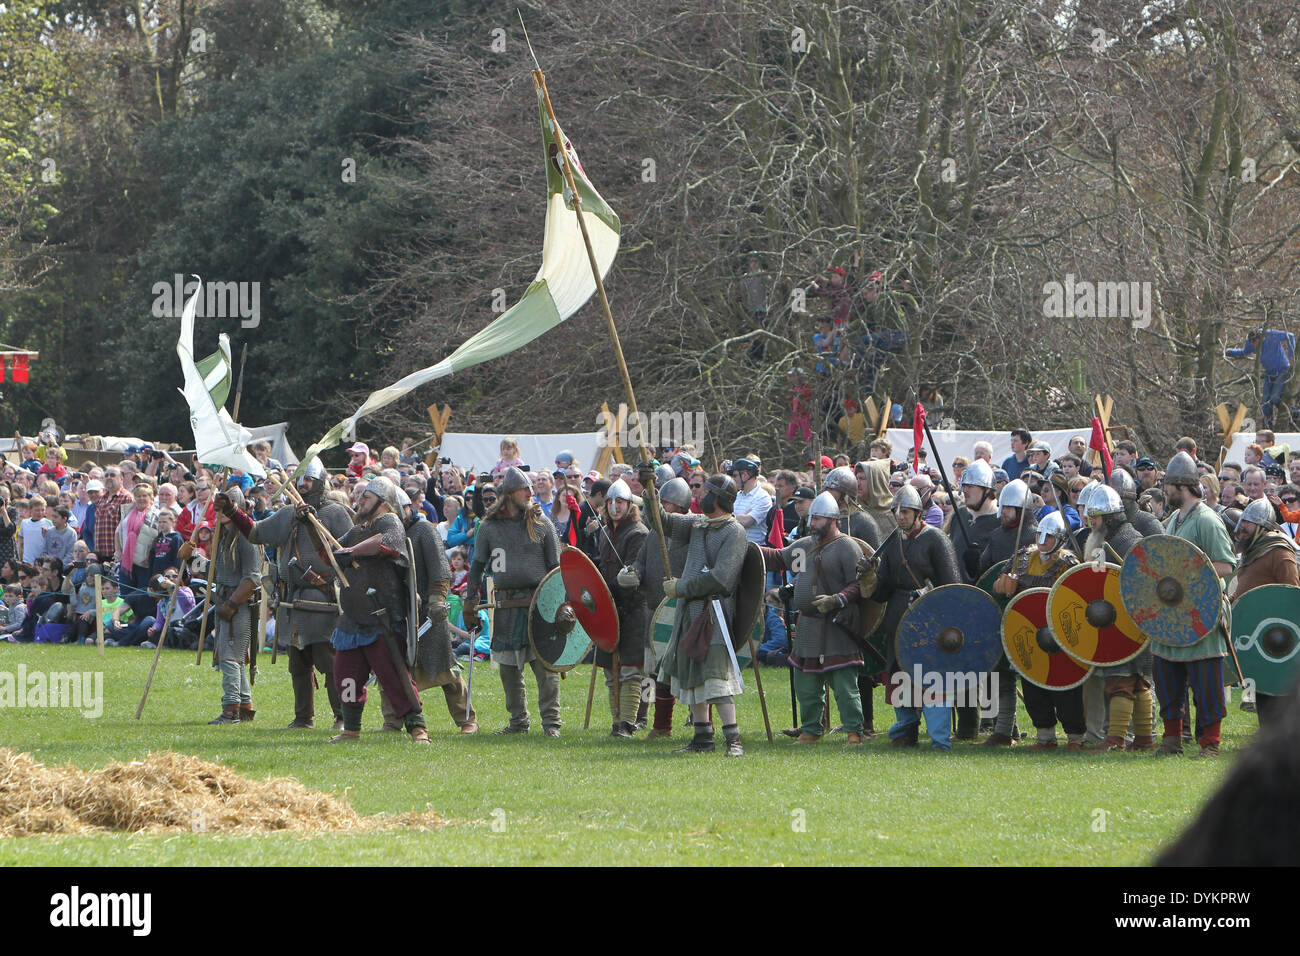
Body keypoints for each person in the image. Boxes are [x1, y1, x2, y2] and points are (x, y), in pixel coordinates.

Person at [219, 458, 353, 730]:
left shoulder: (335, 514)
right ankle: (303, 718)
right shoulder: (289, 514)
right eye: (300, 480)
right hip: (292, 600)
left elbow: (349, 551)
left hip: (323, 597)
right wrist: (233, 511)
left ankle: (342, 717)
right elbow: (256, 533)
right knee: (298, 666)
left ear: (319, 483)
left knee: (329, 663)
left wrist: (314, 526)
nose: (302, 485)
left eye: (308, 481)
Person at [320, 476, 427, 742]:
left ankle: (418, 728)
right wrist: (310, 525)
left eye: (366, 498)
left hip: (382, 618)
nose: (360, 501)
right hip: (352, 620)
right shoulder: (358, 530)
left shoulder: (390, 522)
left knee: (395, 676)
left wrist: (351, 552)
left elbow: (386, 544)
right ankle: (351, 730)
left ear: (383, 502)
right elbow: (329, 553)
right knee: (345, 677)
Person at [760, 491, 872, 746]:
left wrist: (837, 599)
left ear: (833, 520)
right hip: (809, 625)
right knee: (806, 685)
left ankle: (854, 732)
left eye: (818, 519)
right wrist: (748, 547)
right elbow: (779, 558)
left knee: (844, 686)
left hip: (836, 625)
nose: (812, 524)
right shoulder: (805, 545)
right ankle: (810, 730)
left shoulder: (846, 546)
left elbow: (860, 584)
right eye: (812, 518)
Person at [654, 473, 749, 757]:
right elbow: (663, 522)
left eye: (706, 491)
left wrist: (681, 587)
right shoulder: (698, 524)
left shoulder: (734, 532)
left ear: (718, 498)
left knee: (716, 677)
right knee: (693, 675)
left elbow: (721, 579)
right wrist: (650, 494)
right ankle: (702, 738)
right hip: (690, 613)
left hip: (715, 613)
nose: (700, 496)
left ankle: (733, 740)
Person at [465, 466, 563, 737]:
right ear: (508, 494)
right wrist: (470, 601)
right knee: (508, 669)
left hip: (539, 605)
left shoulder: (542, 524)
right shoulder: (488, 527)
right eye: (524, 490)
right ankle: (518, 721)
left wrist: (560, 603)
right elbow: (477, 567)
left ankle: (551, 723)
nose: (530, 494)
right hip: (506, 606)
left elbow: (556, 568)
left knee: (545, 668)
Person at [1154, 452, 1237, 757]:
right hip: (1171, 612)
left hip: (1202, 613)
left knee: (1206, 685)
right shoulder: (1174, 519)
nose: (1165, 491)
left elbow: (1226, 566)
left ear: (1181, 486)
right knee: (1166, 676)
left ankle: (1210, 744)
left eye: (1168, 486)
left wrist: (1188, 576)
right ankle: (1172, 739)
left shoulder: (1207, 520)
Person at [380, 488, 477, 734]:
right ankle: (392, 720)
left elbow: (440, 569)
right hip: (397, 611)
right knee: (393, 666)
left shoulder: (424, 530)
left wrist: (436, 600)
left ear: (406, 507)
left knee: (444, 666)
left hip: (426, 611)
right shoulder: (388, 533)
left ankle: (467, 719)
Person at [874, 485, 961, 750]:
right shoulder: (892, 542)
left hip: (930, 619)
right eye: (897, 511)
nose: (901, 516)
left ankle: (939, 740)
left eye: (906, 511)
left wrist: (929, 593)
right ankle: (906, 732)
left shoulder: (935, 539)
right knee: (900, 677)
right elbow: (882, 591)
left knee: (933, 680)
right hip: (898, 618)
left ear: (918, 512)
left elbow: (952, 585)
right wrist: (869, 578)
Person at [1000, 511, 1087, 749]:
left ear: (1059, 538)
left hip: (1060, 634)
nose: (1042, 539)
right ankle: (1045, 736)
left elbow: (1075, 597)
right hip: (1029, 632)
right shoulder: (1023, 557)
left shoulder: (1069, 563)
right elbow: (1000, 584)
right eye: (1039, 534)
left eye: (1048, 536)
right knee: (1033, 685)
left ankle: (1075, 737)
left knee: (1066, 688)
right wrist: (1007, 583)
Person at [1081, 484, 1155, 751]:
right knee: (1136, 682)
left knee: (1124, 680)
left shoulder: (1128, 541)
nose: (1092, 523)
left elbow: (1146, 583)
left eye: (1096, 518)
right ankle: (1144, 740)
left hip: (1128, 621)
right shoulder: (1105, 541)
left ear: (1110, 517)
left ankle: (1116, 739)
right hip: (1113, 619)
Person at [1228, 498, 1299, 727]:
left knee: (1278, 695)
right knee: (1263, 693)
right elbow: (1247, 589)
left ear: (1262, 526)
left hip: (1279, 639)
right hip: (1255, 635)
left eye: (1248, 522)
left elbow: (1291, 595)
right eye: (1243, 522)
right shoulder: (1253, 551)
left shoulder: (1279, 551)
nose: (1243, 527)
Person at [979, 479, 1037, 745]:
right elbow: (986, 571)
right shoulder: (996, 536)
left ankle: (1042, 732)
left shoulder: (1035, 537)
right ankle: (1005, 730)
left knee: (1028, 674)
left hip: (1027, 612)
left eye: (1010, 509)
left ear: (1022, 510)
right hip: (997, 609)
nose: (1003, 513)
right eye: (1002, 508)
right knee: (1000, 672)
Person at [597, 479, 650, 737]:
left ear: (630, 505)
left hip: (632, 609)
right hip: (609, 609)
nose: (615, 506)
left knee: (630, 669)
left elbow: (631, 576)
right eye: (610, 502)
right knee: (611, 669)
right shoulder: (605, 532)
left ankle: (628, 724)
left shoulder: (638, 533)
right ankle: (616, 721)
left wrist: (604, 591)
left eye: (620, 502)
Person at [1226, 327, 1296, 430]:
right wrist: (1230, 352)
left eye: (1255, 341)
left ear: (1260, 337)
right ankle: (1267, 428)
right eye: (1251, 342)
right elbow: (1244, 352)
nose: (1253, 344)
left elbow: (1290, 336)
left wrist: (1291, 357)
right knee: (1265, 403)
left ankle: (1293, 412)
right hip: (1269, 373)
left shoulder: (1271, 335)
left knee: (1275, 397)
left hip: (1282, 370)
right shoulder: (1250, 343)